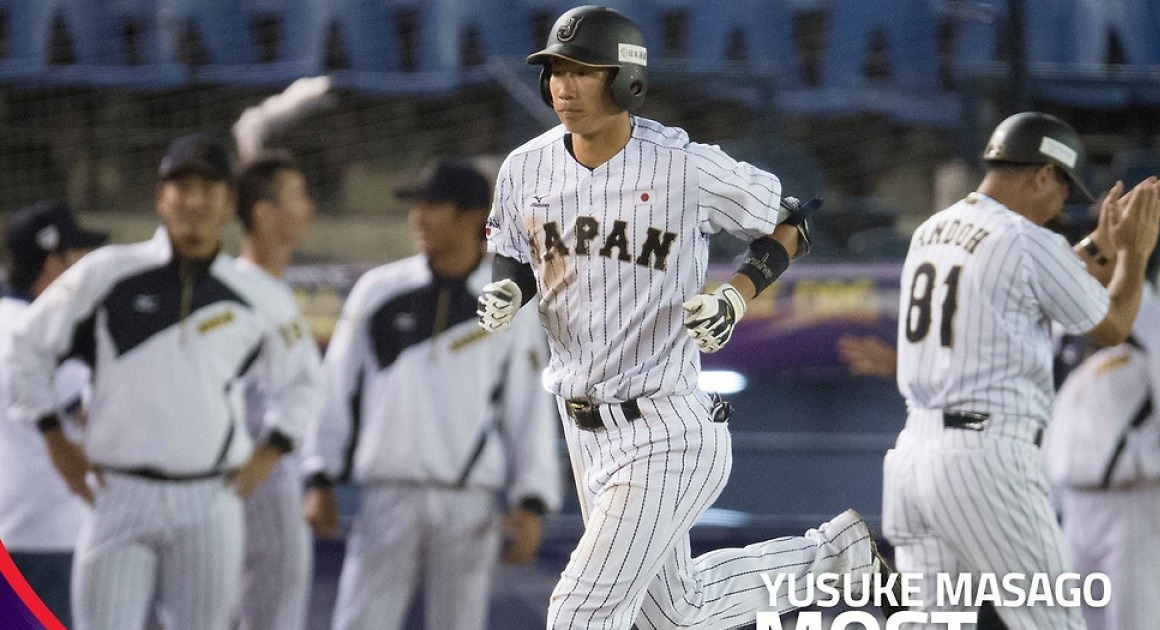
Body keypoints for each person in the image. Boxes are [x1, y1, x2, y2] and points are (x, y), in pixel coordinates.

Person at [476, 6, 897, 629]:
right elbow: (511, 253)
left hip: (667, 426)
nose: (563, 85)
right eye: (555, 70)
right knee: (674, 615)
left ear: (626, 82)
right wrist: (510, 290)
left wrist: (736, 294)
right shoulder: (525, 168)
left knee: (578, 612)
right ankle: (839, 557)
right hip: (584, 430)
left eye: (582, 71)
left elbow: (791, 222)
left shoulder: (682, 165)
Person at [4, 134, 321, 630]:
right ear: (161, 198)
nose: (193, 200)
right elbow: (25, 347)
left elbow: (304, 382)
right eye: (180, 186)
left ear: (229, 201)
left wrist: (273, 448)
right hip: (117, 493)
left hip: (210, 499)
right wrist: (54, 439)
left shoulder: (260, 295)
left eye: (208, 187)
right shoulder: (106, 274)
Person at [882, 110, 1160, 628]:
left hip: (911, 459)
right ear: (1041, 174)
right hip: (985, 459)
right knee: (1055, 621)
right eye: (1062, 190)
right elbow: (1111, 326)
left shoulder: (932, 229)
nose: (1061, 205)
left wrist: (1100, 247)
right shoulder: (1024, 240)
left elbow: (1029, 279)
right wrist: (1134, 254)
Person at [301, 157, 562, 630]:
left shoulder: (507, 301)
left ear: (471, 218)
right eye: (416, 206)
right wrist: (318, 474)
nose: (416, 218)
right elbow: (337, 388)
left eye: (431, 205)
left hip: (469, 503)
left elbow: (528, 408)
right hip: (387, 495)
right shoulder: (377, 291)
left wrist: (531, 499)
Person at [230, 77, 331, 630]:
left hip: (267, 470)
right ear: (265, 213)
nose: (310, 208)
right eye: (297, 198)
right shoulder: (240, 291)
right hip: (251, 472)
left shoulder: (270, 290)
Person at [1045, 280, 1160, 630]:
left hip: (1139, 501)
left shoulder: (1159, 323)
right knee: (1073, 622)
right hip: (1076, 503)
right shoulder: (1066, 324)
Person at [0, 201, 106, 626]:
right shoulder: (36, 332)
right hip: (48, 535)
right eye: (77, 258)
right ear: (53, 262)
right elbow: (92, 413)